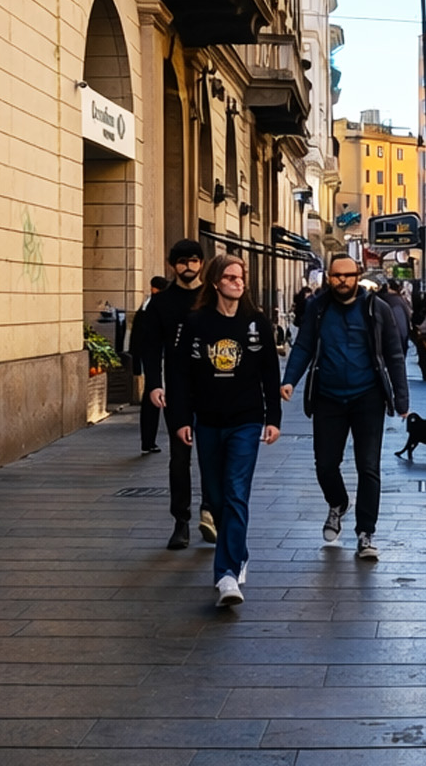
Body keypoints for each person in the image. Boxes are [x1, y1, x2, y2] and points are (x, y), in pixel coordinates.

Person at [164, 254, 282, 607]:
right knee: (215, 498)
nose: (238, 283)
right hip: (208, 422)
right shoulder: (197, 322)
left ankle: (226, 575)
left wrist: (272, 418)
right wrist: (182, 419)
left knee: (235, 493)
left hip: (246, 421)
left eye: (241, 277)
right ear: (216, 282)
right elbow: (180, 374)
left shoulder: (256, 322)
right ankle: (239, 552)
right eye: (230, 277)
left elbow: (270, 373)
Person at [280, 254, 410, 561]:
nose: (342, 281)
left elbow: (394, 354)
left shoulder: (376, 309)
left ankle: (366, 533)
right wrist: (290, 380)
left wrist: (401, 398)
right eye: (336, 276)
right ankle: (337, 503)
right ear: (328, 278)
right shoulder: (318, 308)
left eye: (348, 275)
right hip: (328, 397)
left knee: (368, 467)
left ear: (358, 275)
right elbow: (304, 345)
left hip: (368, 397)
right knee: (325, 464)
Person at [135, 239, 215, 549]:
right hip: (177, 390)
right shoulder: (160, 303)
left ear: (201, 264)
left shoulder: (211, 298)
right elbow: (151, 348)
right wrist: (154, 383)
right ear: (172, 265)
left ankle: (209, 511)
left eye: (194, 260)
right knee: (179, 458)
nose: (188, 266)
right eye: (182, 261)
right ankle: (180, 521)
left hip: (211, 388)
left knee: (210, 453)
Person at [126, 275, 169, 440]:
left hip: (153, 356)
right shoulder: (152, 306)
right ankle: (149, 438)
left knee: (153, 393)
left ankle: (149, 439)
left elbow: (137, 335)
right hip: (157, 356)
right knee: (154, 393)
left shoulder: (147, 305)